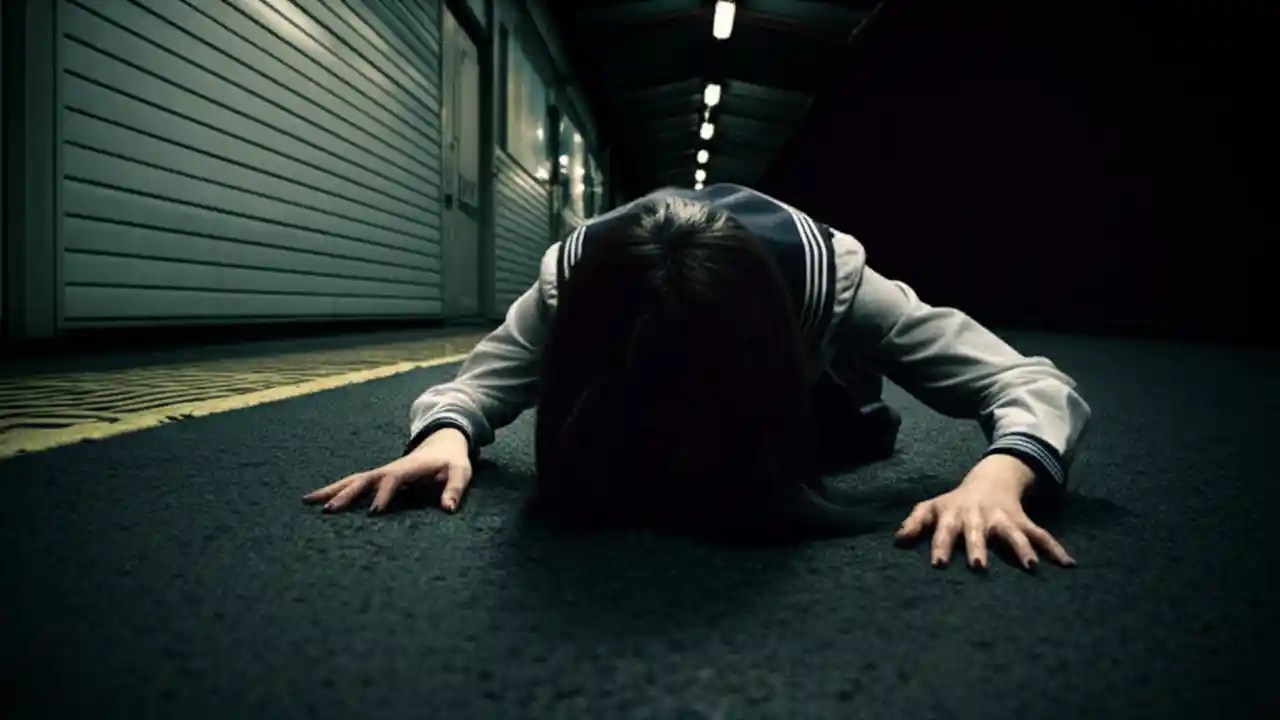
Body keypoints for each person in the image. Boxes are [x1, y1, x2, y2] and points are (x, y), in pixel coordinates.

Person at [303, 184, 1090, 569]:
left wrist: (999, 476)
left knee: (841, 434)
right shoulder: (572, 288)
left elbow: (1029, 383)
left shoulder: (835, 282)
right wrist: (445, 436)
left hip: (818, 392)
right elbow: (473, 386)